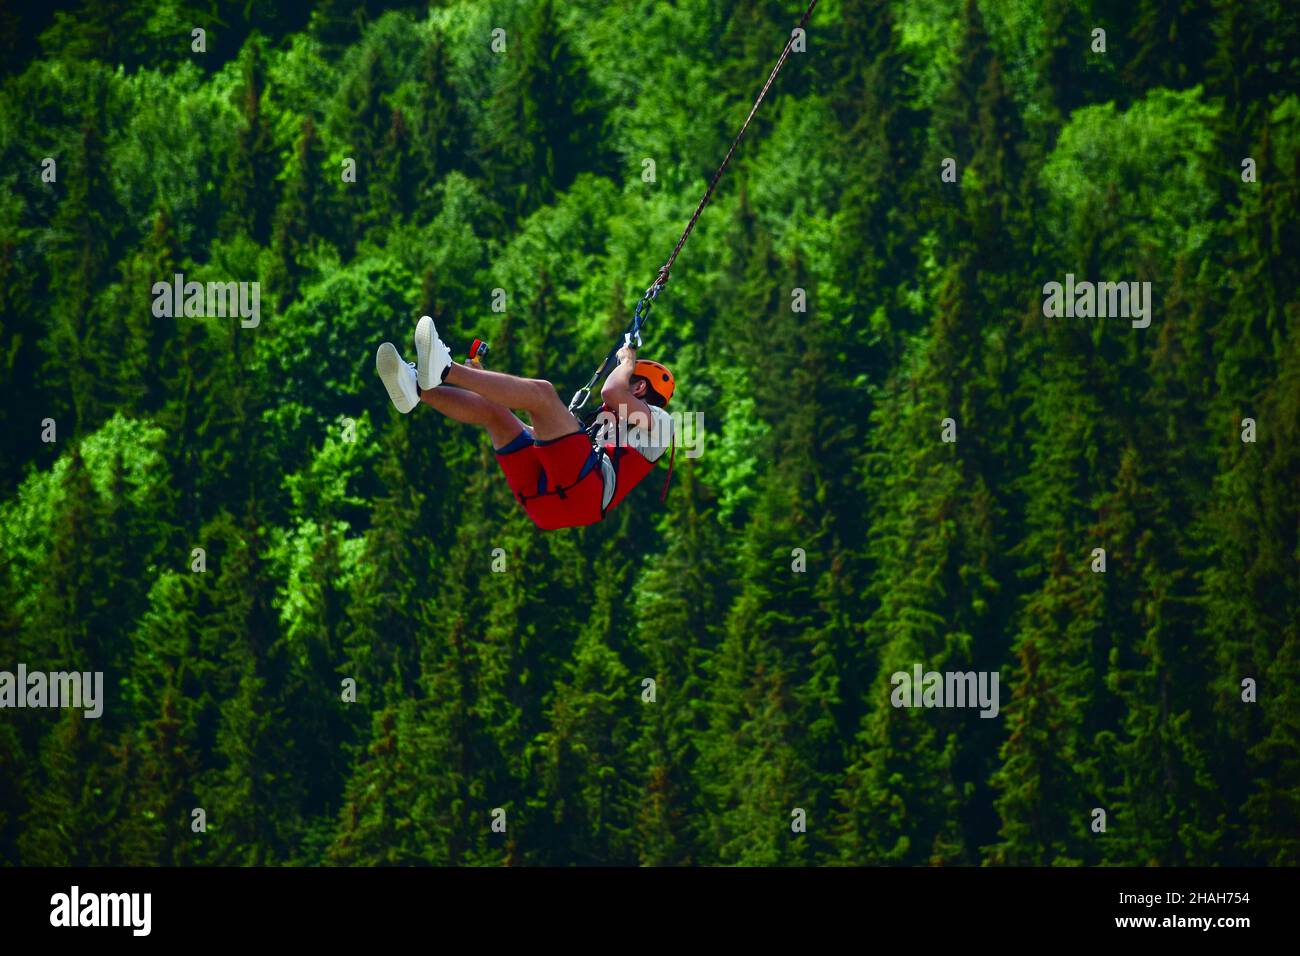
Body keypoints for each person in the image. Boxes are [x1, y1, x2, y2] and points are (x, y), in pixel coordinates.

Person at [376, 316, 675, 530]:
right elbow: (539, 440)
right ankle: (417, 389)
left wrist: (626, 362)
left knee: (542, 394)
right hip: (554, 501)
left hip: (586, 491)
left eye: (631, 378)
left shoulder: (660, 423)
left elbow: (611, 390)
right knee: (496, 415)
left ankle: (446, 370)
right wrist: (485, 384)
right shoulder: (607, 429)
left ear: (639, 388)